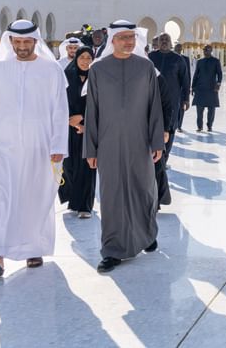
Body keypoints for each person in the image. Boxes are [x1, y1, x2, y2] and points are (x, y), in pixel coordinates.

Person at [0, 19, 68, 278]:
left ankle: (33, 247)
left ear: (35, 41)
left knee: (34, 198)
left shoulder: (51, 70)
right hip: (4, 148)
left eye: (27, 42)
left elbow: (60, 110)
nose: (22, 46)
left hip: (41, 147)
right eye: (17, 42)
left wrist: (59, 144)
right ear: (10, 42)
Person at [83, 21, 166, 273]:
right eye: (122, 38)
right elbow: (92, 111)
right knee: (111, 196)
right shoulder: (98, 69)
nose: (128, 42)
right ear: (112, 41)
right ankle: (112, 249)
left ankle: (147, 234)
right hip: (108, 143)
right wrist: (91, 149)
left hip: (140, 141)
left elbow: (155, 107)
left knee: (144, 189)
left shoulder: (146, 67)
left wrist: (156, 141)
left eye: (132, 37)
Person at [59, 46, 97, 218]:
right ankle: (73, 200)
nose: (85, 61)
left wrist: (83, 121)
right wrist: (70, 120)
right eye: (82, 57)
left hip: (88, 129)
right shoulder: (66, 76)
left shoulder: (97, 78)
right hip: (67, 127)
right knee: (69, 165)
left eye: (89, 58)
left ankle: (85, 206)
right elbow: (58, 101)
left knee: (87, 166)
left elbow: (101, 104)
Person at [192, 44, 222, 131]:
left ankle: (209, 125)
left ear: (211, 51)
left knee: (211, 109)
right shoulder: (200, 61)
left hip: (212, 88)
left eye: (207, 50)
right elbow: (196, 74)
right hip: (200, 88)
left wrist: (218, 84)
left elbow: (219, 74)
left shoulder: (216, 61)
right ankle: (199, 126)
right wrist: (193, 86)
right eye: (204, 50)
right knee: (199, 109)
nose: (205, 51)